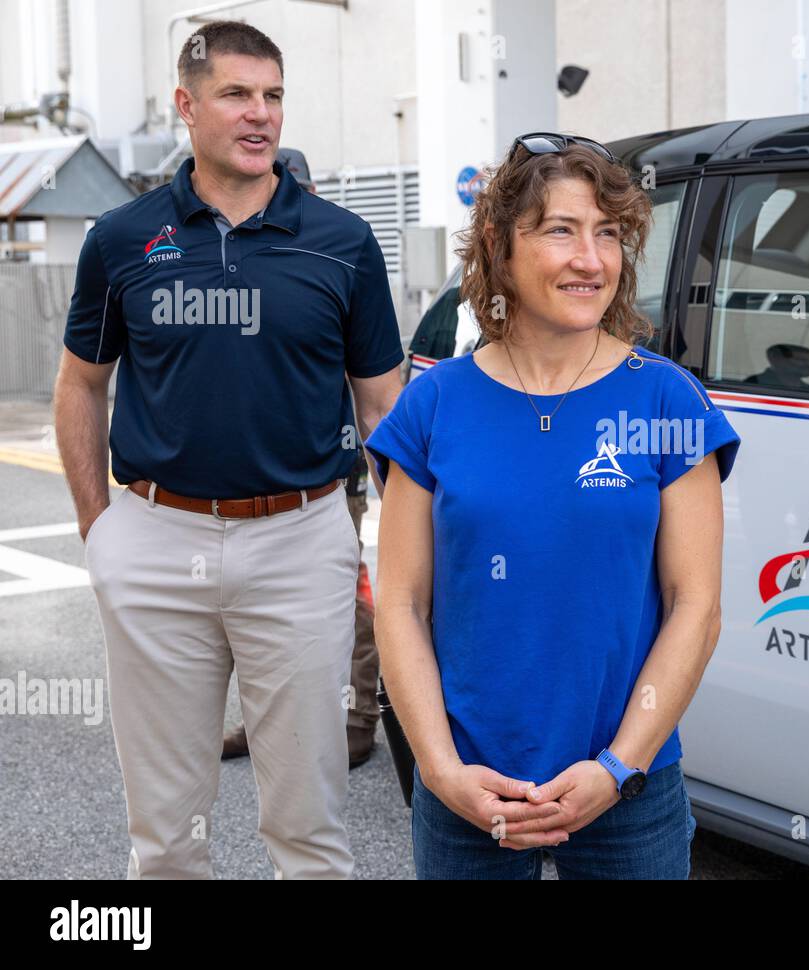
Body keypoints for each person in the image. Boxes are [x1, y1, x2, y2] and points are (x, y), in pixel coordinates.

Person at [53, 21, 403, 878]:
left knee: (310, 828)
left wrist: (404, 545)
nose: (260, 115)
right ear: (186, 105)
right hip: (154, 539)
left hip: (300, 539)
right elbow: (81, 385)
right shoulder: (121, 240)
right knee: (166, 837)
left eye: (273, 95)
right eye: (236, 94)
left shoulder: (343, 243)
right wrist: (101, 528)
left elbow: (384, 400)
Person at [367, 132, 741, 879]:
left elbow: (694, 606)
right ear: (502, 249)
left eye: (608, 234)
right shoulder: (434, 404)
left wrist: (617, 768)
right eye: (562, 231)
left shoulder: (665, 399)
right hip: (469, 790)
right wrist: (440, 772)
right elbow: (400, 603)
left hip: (628, 791)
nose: (591, 259)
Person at [222, 149, 381, 769]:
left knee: (344, 598)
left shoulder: (331, 252)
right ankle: (264, 720)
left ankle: (355, 718)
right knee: (241, 601)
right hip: (244, 477)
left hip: (328, 474)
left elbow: (371, 380)